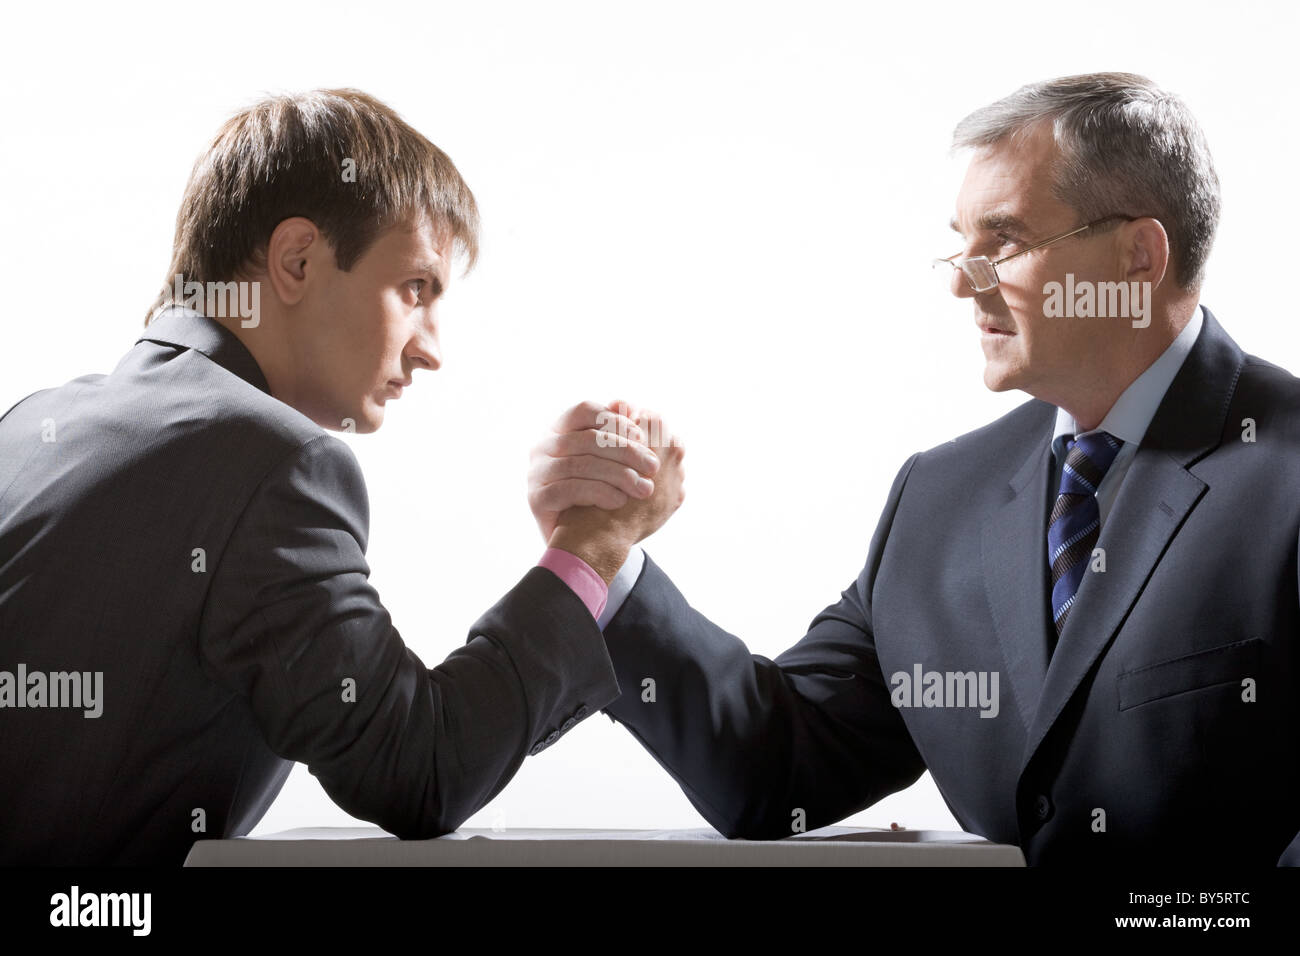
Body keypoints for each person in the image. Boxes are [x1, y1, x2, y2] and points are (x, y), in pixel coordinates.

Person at [531, 73, 1300, 866]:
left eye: (1004, 241)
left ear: (1139, 258)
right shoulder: (938, 499)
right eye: (961, 246)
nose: (966, 282)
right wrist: (604, 563)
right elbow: (778, 764)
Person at [0, 88, 682, 865]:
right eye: (415, 289)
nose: (431, 349)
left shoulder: (26, 428)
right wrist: (590, 547)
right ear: (296, 260)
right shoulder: (274, 463)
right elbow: (420, 767)